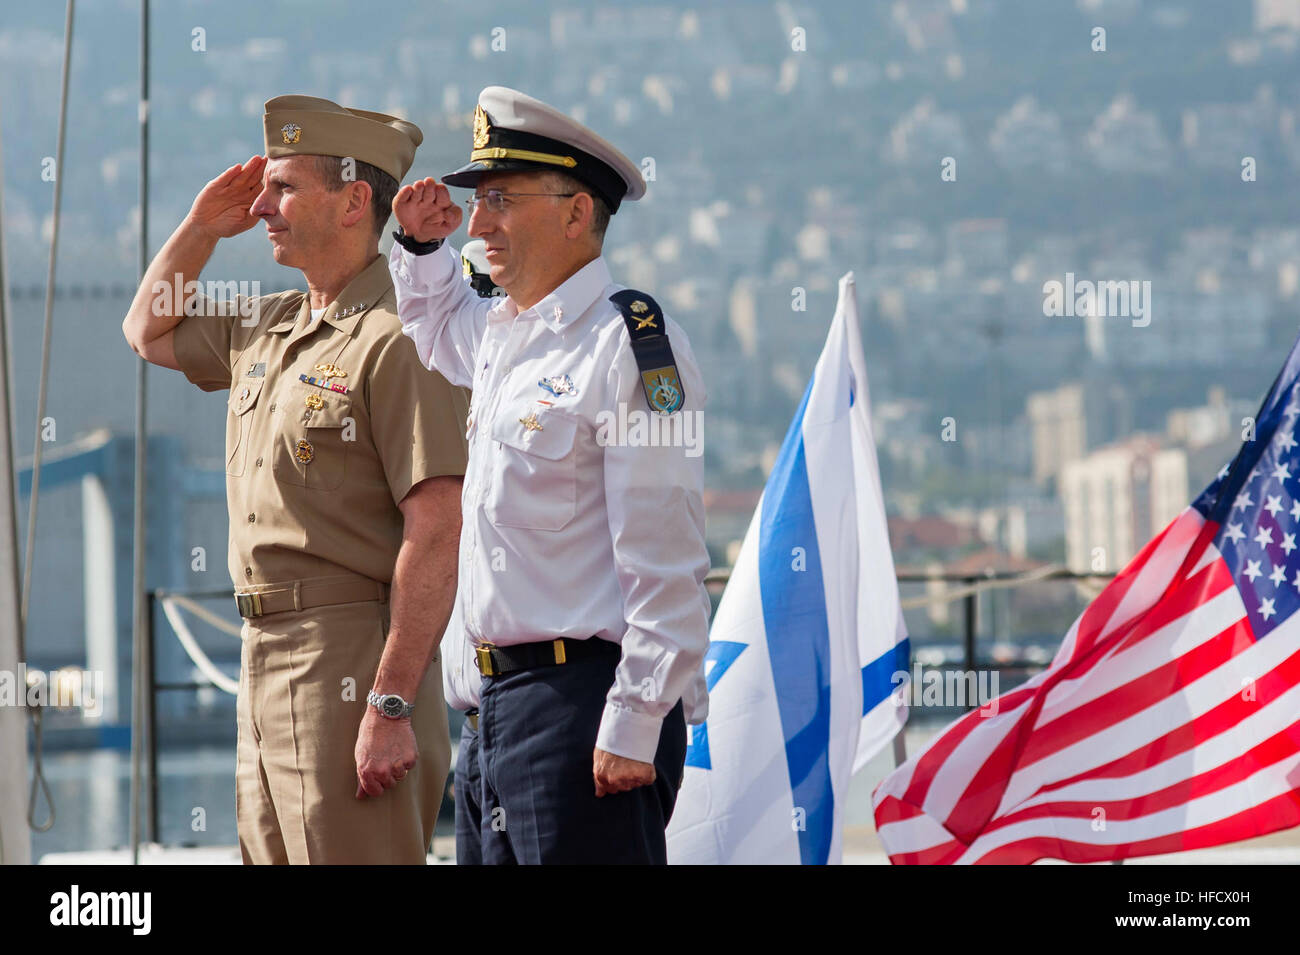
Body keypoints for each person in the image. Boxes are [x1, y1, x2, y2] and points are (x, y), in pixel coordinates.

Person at [121, 95, 469, 864]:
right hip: (262, 649)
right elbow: (146, 330)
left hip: (347, 652)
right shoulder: (267, 323)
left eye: (283, 188)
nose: (262, 206)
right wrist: (201, 229)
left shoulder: (404, 335)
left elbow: (439, 523)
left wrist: (390, 701)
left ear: (353, 201)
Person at [388, 86, 711, 864]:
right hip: (492, 713)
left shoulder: (626, 346)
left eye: (499, 198)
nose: (478, 221)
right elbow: (433, 327)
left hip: (583, 709)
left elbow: (666, 556)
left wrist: (636, 719)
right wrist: (417, 246)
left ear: (576, 213)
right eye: (476, 201)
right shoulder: (508, 339)